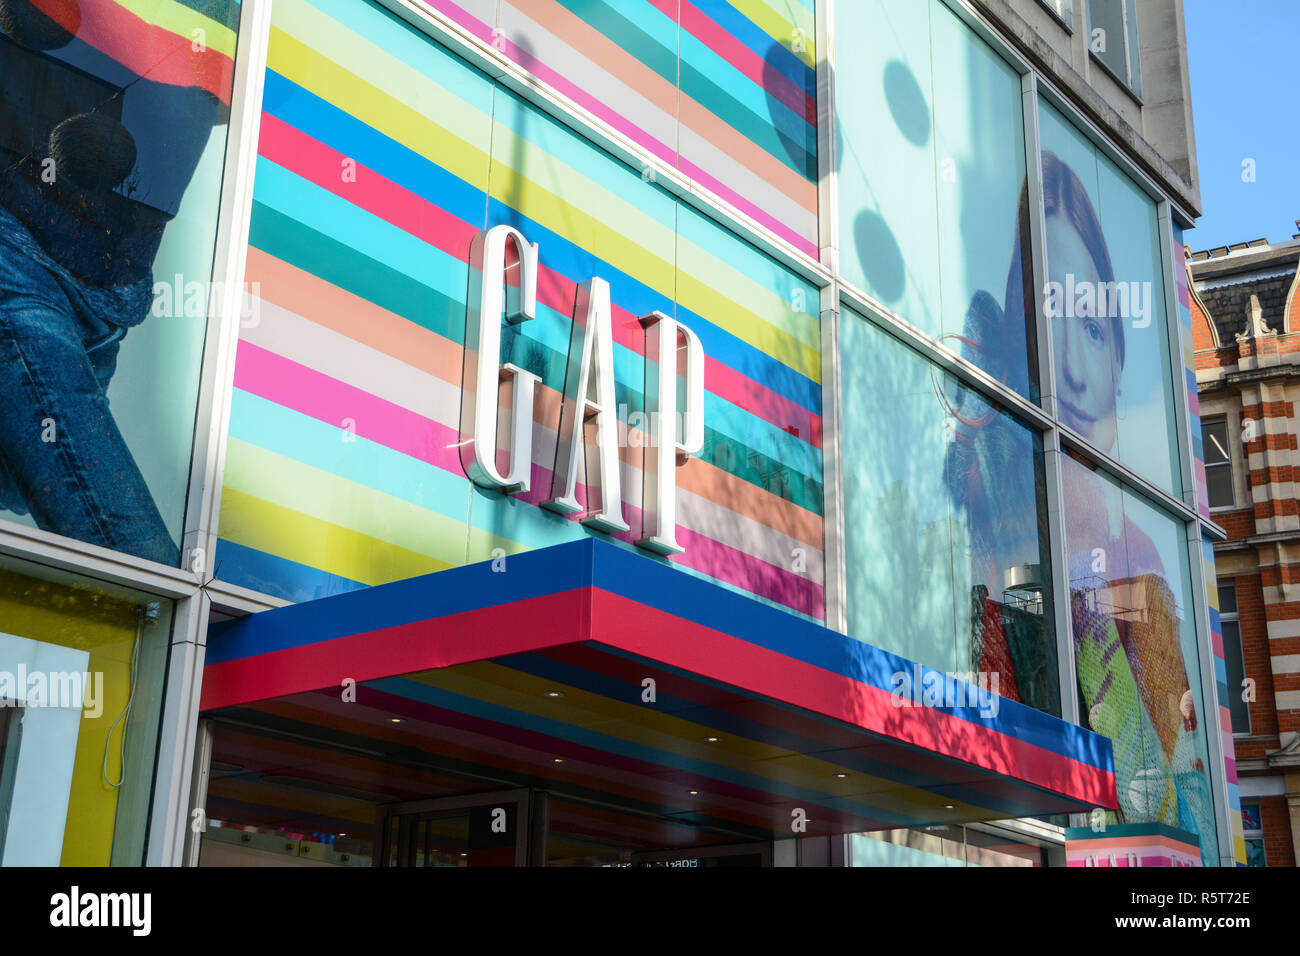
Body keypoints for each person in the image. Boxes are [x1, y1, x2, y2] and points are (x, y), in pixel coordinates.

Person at [945, 151, 1216, 858]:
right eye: (1044, 321)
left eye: (1092, 329)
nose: (1069, 366)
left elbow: (1172, 806)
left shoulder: (1148, 574)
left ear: (1121, 366)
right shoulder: (984, 538)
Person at [0, 0, 235, 565]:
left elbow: (218, 86)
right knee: (133, 561)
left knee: (38, 501)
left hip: (112, 278)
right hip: (19, 249)